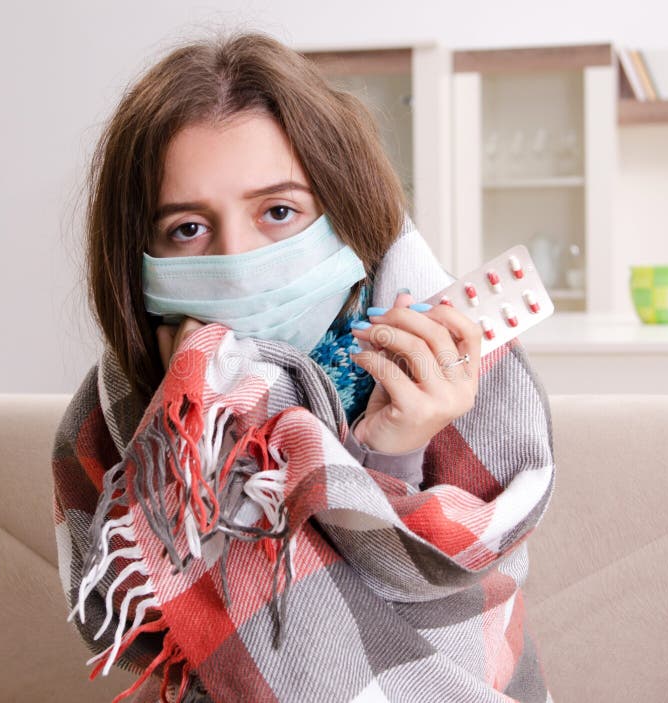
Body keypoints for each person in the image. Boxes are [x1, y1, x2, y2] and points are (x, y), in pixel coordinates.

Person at [52, 31, 556, 703]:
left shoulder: (451, 362)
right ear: (139, 261)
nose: (236, 260)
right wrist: (197, 432)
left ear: (344, 215)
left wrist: (390, 452)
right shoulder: (120, 418)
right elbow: (144, 622)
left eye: (279, 212)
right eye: (187, 229)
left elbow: (427, 594)